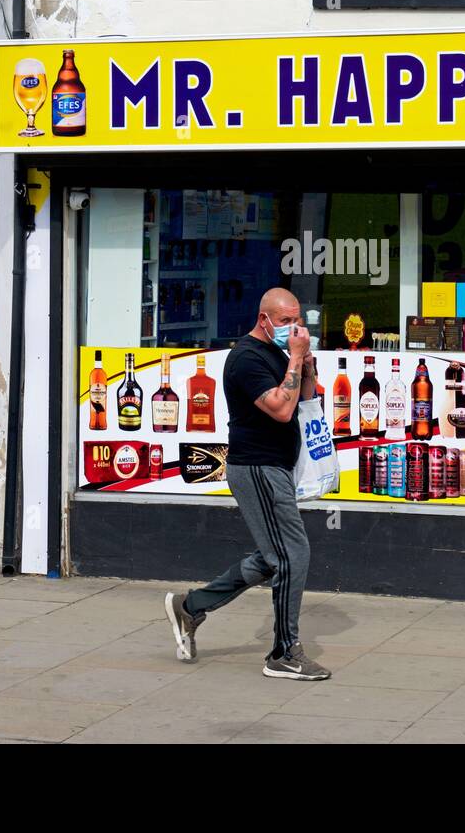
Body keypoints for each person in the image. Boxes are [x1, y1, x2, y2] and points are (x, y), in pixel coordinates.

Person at [164, 287, 331, 680]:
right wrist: (294, 357)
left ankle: (191, 606)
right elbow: (280, 408)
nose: (293, 328)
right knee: (295, 554)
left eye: (298, 321)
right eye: (286, 321)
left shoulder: (281, 354)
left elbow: (305, 400)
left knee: (274, 559)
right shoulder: (245, 359)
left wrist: (304, 364)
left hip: (277, 466)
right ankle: (284, 653)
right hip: (256, 467)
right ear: (264, 320)